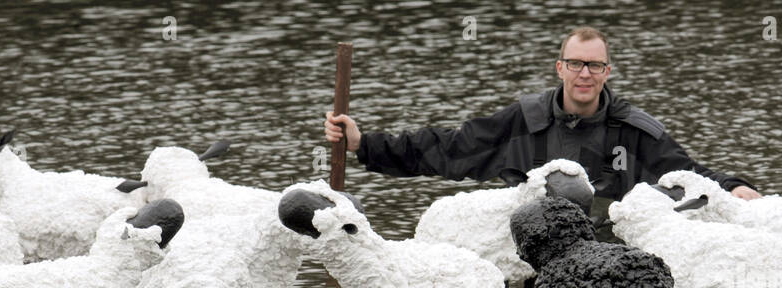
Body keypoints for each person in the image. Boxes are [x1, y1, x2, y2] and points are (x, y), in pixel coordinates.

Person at [324, 26, 760, 206]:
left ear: (607, 72)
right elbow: (447, 148)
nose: (584, 74)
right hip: (537, 253)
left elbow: (685, 173)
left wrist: (736, 186)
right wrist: (364, 144)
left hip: (611, 252)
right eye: (576, 64)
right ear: (560, 68)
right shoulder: (522, 121)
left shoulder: (633, 130)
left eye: (594, 66)